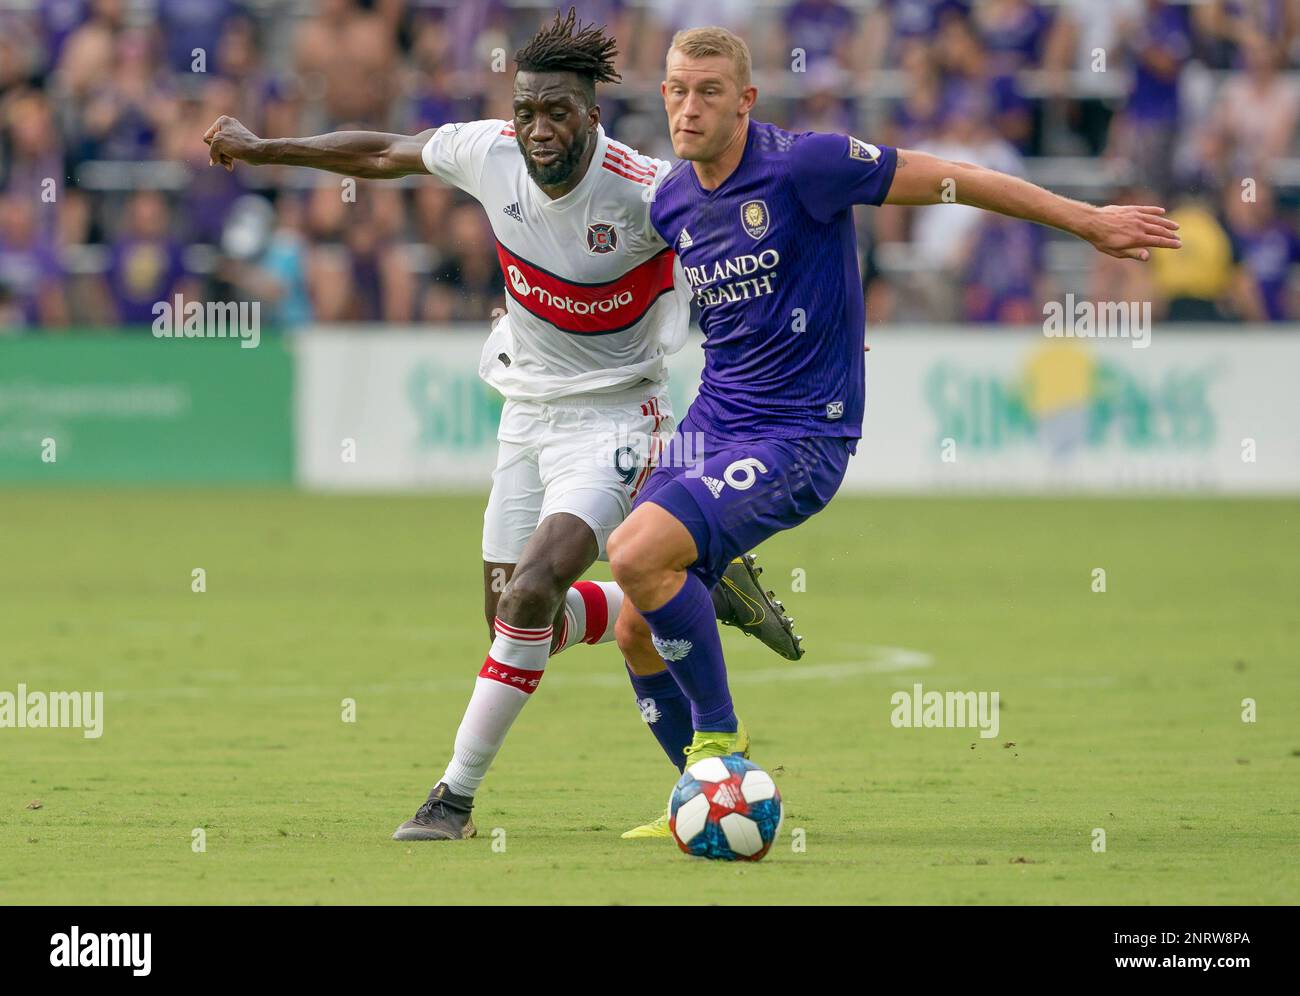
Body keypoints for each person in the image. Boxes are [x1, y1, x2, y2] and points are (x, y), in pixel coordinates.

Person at [203, 9, 802, 844]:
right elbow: (380, 153)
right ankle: (684, 584)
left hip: (619, 413)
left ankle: (451, 798)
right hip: (527, 413)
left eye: (557, 110)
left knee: (530, 589)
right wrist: (267, 149)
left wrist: (811, 325)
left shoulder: (645, 190)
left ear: (591, 115)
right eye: (526, 111)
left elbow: (741, 245)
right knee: (522, 626)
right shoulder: (488, 152)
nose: (538, 127)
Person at [605, 26, 1181, 787]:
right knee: (634, 627)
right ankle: (702, 794)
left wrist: (1088, 220)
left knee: (636, 553)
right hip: (715, 420)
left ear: (745, 101)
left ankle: (721, 741)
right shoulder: (673, 202)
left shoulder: (804, 165)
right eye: (676, 90)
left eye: (709, 92)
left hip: (801, 435)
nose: (688, 108)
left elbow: (952, 178)